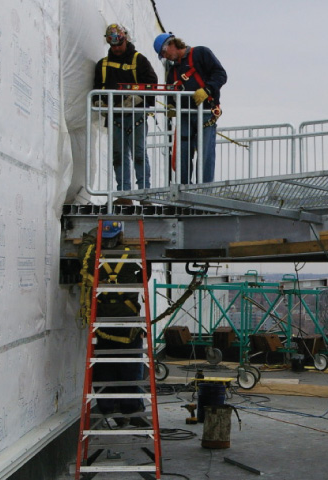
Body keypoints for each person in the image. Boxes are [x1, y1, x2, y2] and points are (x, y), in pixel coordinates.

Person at [79, 221, 145, 425]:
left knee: (104, 368)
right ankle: (131, 408)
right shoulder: (132, 255)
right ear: (119, 236)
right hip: (128, 325)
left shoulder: (93, 257)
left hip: (104, 325)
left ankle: (107, 406)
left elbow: (84, 250)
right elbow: (145, 274)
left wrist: (91, 235)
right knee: (130, 368)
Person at [94, 24, 158, 201]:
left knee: (139, 153)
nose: (116, 48)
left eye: (118, 44)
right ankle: (123, 194)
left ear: (125, 39)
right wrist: (99, 102)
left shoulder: (139, 61)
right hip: (115, 116)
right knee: (119, 155)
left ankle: (144, 195)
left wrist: (138, 98)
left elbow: (152, 82)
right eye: (112, 45)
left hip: (136, 115)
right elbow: (96, 89)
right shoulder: (103, 65)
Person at [154, 33, 227, 184]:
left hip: (206, 113)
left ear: (172, 45)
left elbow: (220, 74)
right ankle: (184, 190)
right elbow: (170, 92)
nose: (166, 57)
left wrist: (207, 90)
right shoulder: (173, 71)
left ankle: (204, 191)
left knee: (205, 154)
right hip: (185, 116)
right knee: (183, 154)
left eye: (164, 53)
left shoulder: (200, 54)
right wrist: (171, 106)